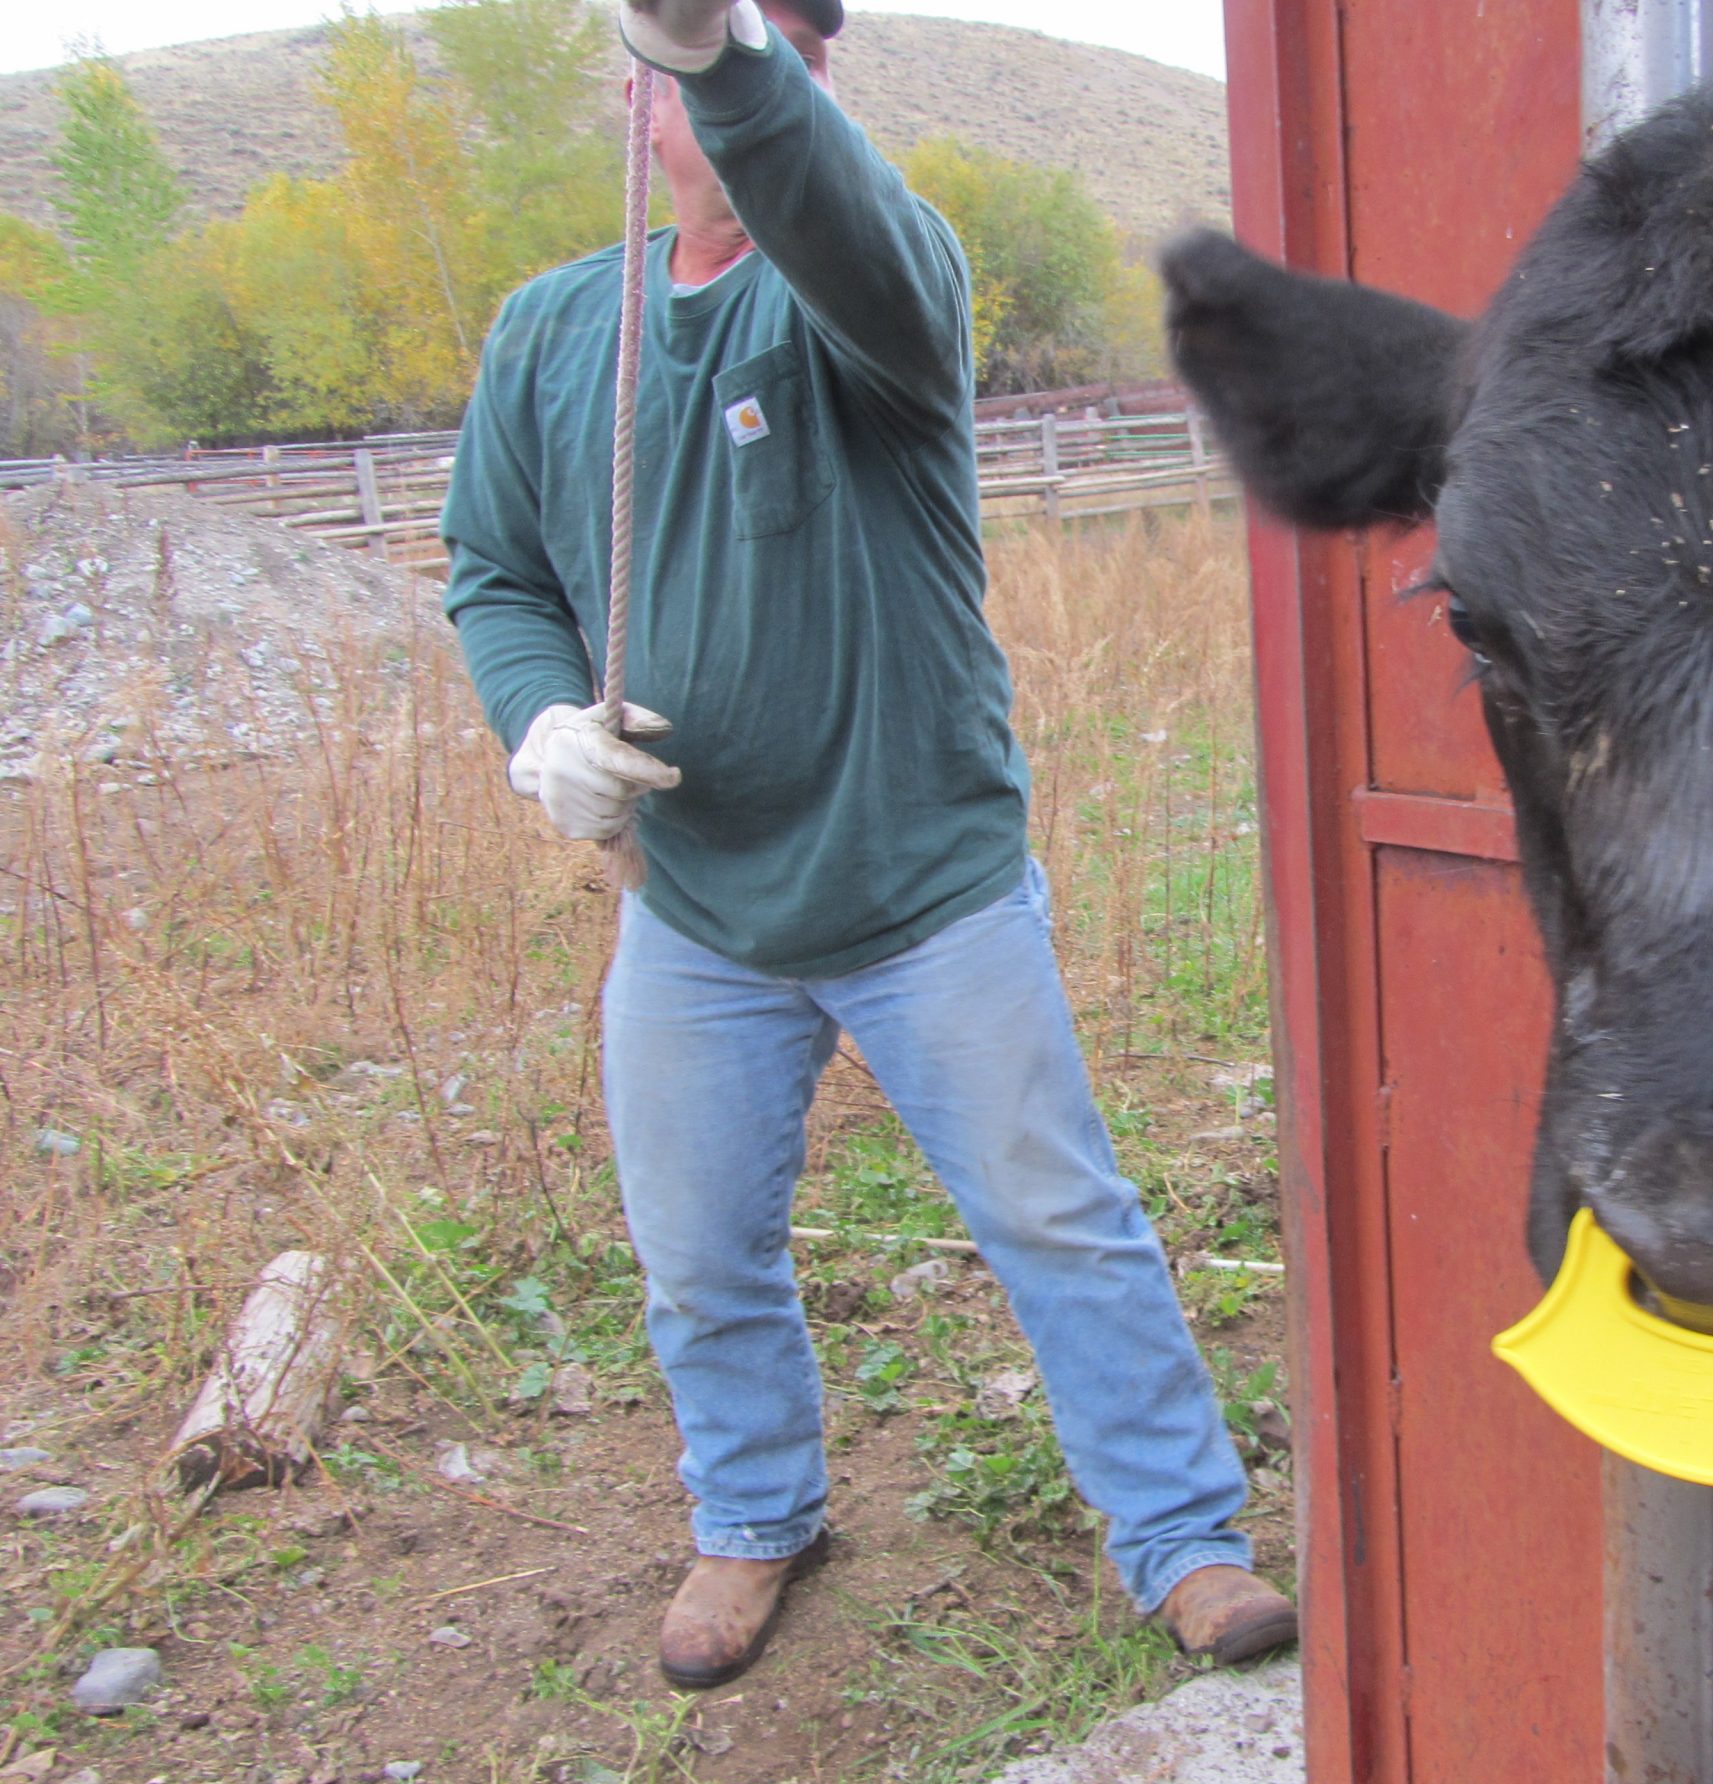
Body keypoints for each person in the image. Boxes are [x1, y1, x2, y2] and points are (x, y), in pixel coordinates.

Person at [439, 0, 1294, 1687]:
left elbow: (843, 215)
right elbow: (497, 577)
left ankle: (1184, 1539)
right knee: (697, 1249)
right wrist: (535, 721)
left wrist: (729, 55)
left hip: (925, 886)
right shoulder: (550, 339)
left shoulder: (874, 289)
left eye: (805, 56)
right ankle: (756, 1517)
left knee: (1060, 1220)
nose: (787, 84)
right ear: (631, 103)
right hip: (696, 908)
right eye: (722, 57)